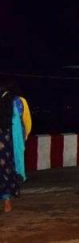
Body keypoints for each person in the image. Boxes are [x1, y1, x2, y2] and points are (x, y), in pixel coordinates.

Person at [1, 80, 31, 213]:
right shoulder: (19, 102)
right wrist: (23, 138)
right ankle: (7, 203)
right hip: (11, 144)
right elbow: (27, 122)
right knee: (8, 171)